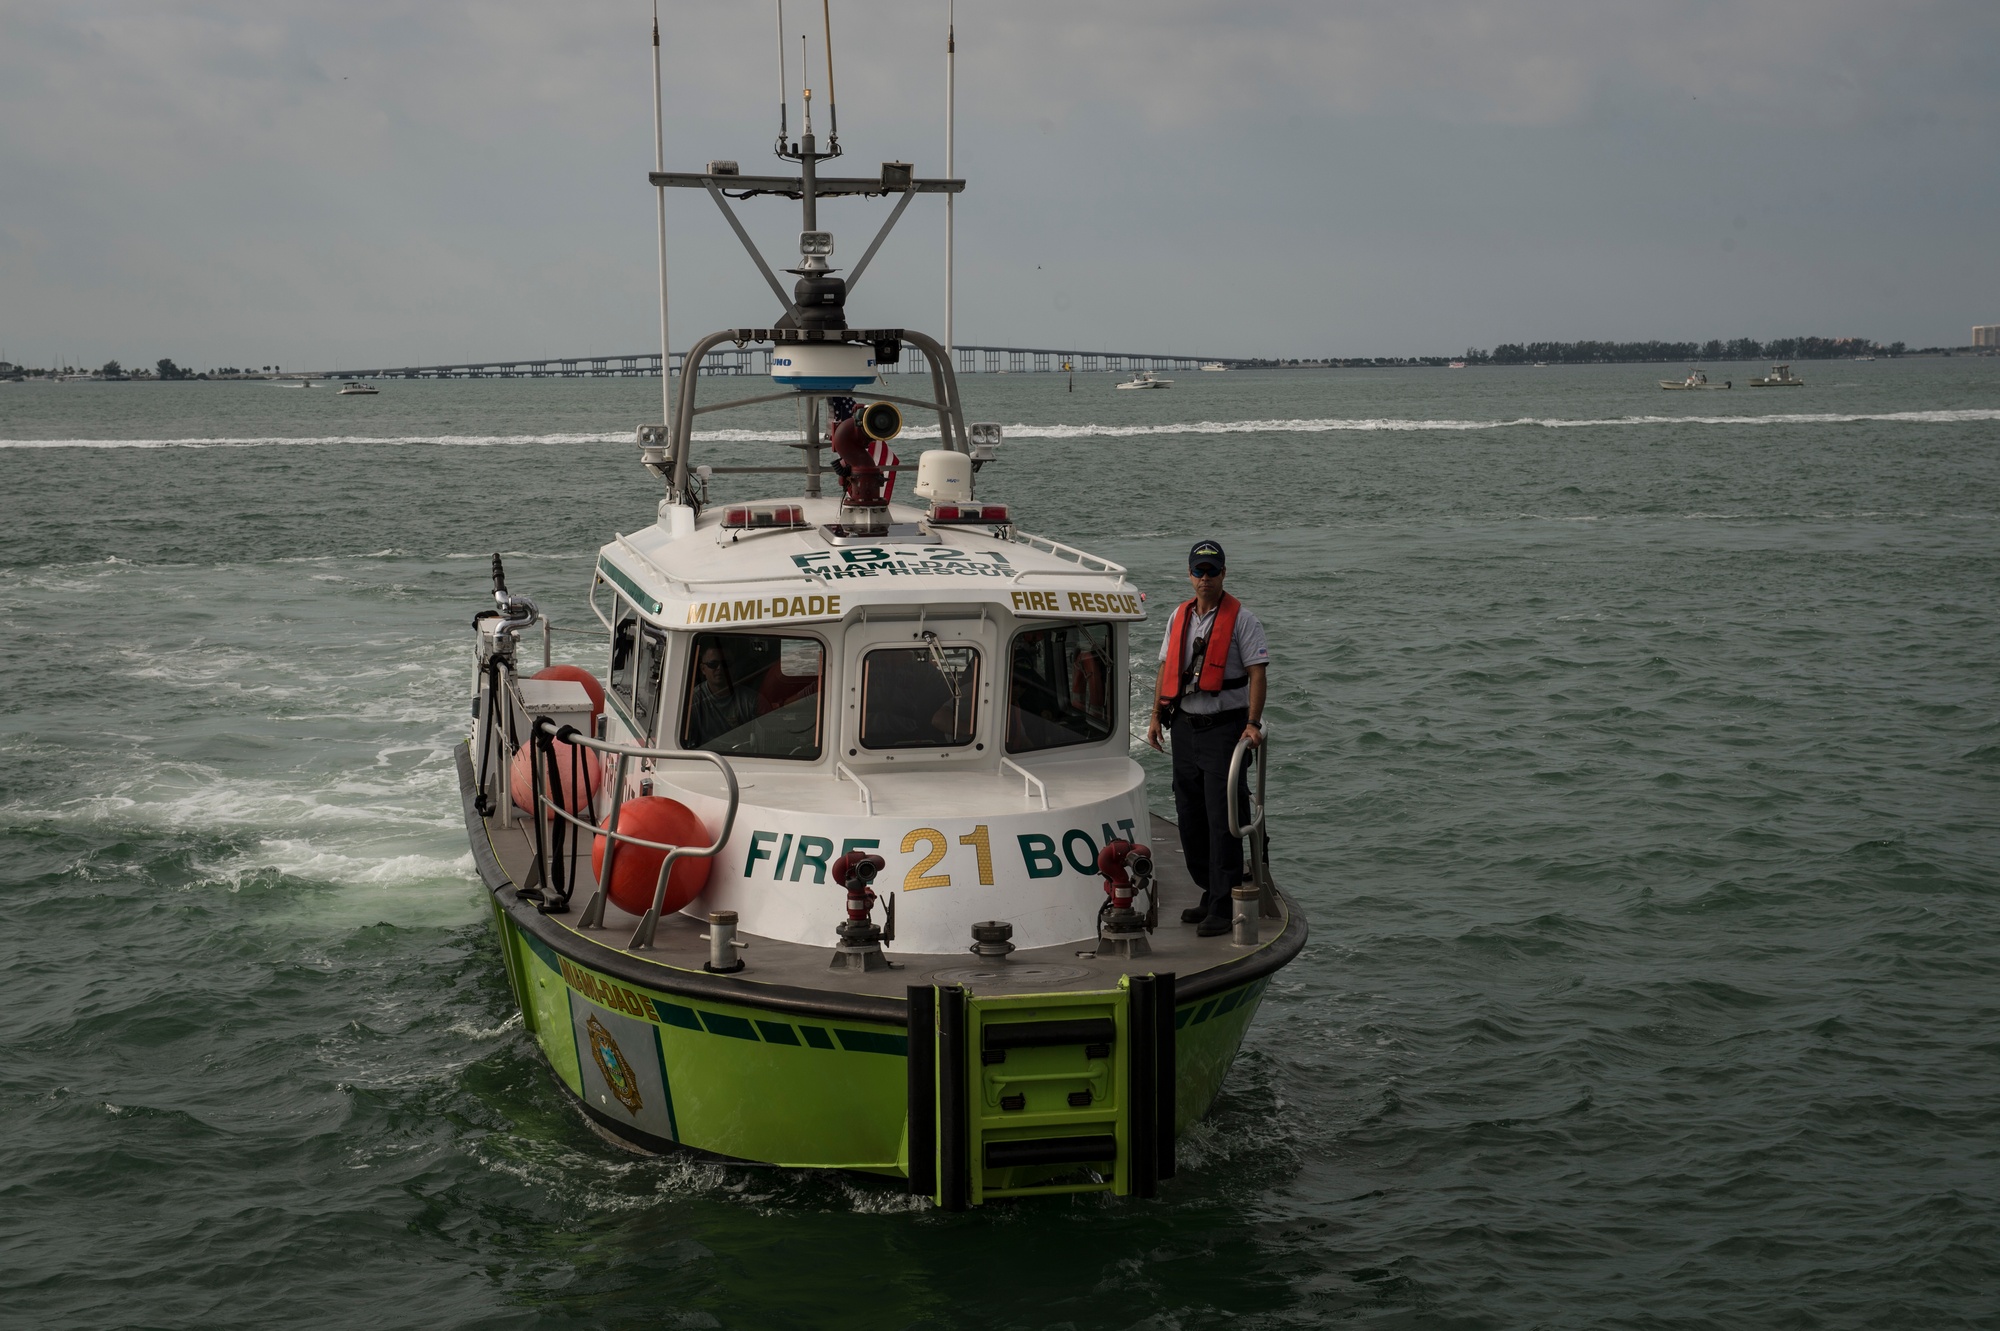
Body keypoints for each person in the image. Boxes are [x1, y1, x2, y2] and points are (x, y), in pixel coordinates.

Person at [1146, 539, 1269, 937]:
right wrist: (1154, 718)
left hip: (1223, 731)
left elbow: (1257, 673)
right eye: (1198, 571)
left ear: (1223, 574)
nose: (1204, 578)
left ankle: (1223, 900)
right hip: (1184, 728)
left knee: (1224, 818)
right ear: (1189, 574)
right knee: (1190, 817)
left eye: (1211, 571)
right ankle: (1208, 889)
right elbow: (1165, 668)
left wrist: (1253, 723)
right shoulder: (1177, 616)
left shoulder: (1243, 620)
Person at [686, 645, 759, 746]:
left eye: (726, 664)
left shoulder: (751, 700)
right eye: (713, 664)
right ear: (703, 669)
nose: (720, 668)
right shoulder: (691, 701)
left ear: (733, 667)